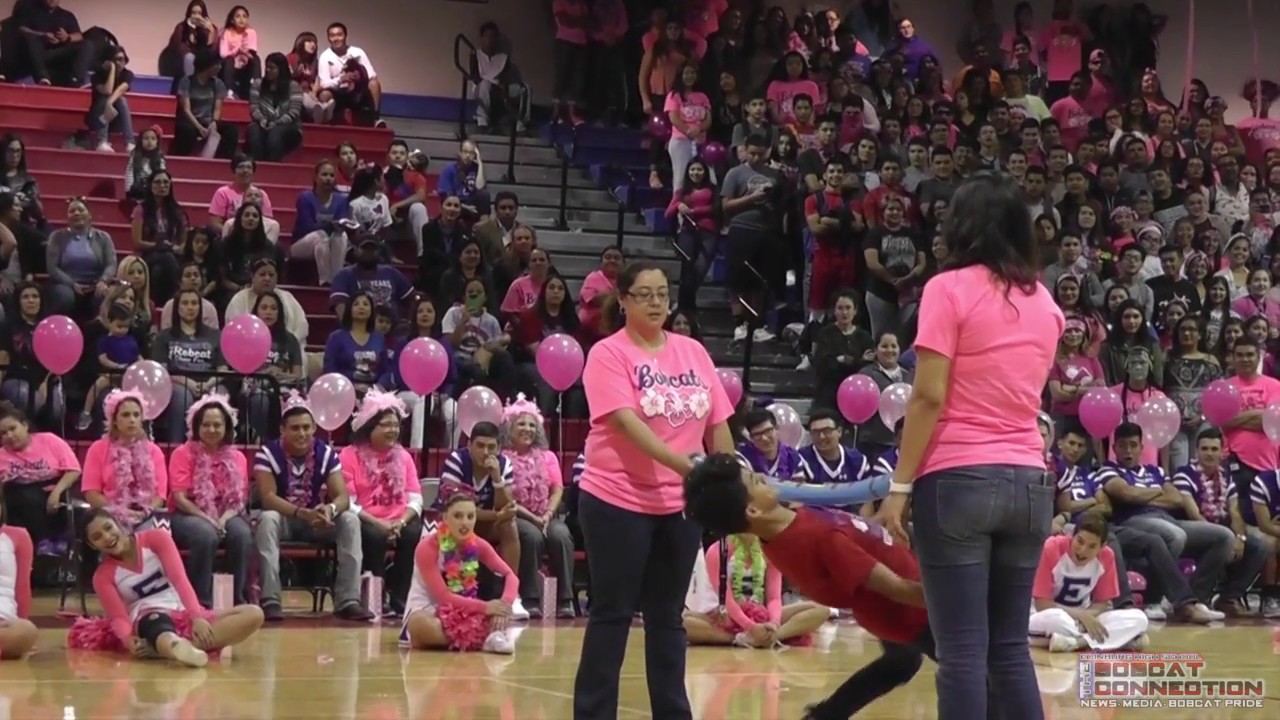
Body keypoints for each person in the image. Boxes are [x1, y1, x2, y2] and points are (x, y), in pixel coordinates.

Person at [876, 174, 1063, 720]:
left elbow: (929, 396)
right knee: (1009, 649)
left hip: (958, 478)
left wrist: (900, 486)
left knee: (960, 650)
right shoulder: (1045, 301)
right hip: (1030, 480)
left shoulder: (947, 289)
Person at [573, 261, 735, 720]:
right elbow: (626, 423)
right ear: (622, 300)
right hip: (615, 498)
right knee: (613, 613)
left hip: (680, 504)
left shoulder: (693, 352)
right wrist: (686, 466)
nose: (656, 302)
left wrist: (725, 474)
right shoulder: (608, 353)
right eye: (644, 294)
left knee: (667, 618)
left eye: (662, 293)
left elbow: (716, 423)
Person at [683, 454, 933, 720]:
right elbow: (898, 589)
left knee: (901, 663)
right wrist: (955, 598)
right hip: (912, 612)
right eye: (757, 481)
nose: (766, 479)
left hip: (899, 589)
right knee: (975, 668)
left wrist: (876, 534)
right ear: (753, 510)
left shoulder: (785, 526)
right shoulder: (816, 540)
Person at [68, 508, 264, 663]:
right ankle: (172, 645)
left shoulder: (156, 538)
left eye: (108, 528)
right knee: (157, 623)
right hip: (147, 618)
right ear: (93, 546)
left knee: (254, 614)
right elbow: (119, 617)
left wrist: (197, 617)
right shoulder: (102, 576)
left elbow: (180, 580)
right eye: (97, 537)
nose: (107, 537)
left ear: (119, 524)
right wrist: (129, 641)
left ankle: (168, 650)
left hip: (181, 611)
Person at [253, 392, 372, 621]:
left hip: (316, 519)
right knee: (267, 519)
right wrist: (300, 513)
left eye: (307, 427)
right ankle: (271, 600)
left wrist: (329, 510)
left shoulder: (325, 453)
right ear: (282, 430)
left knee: (349, 519)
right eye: (295, 428)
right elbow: (268, 497)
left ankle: (348, 600)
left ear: (314, 428)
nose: (302, 433)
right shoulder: (267, 453)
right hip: (284, 519)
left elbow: (342, 497)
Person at [399, 493, 518, 654]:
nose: (465, 522)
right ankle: (480, 638)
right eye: (458, 516)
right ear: (445, 518)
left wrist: (504, 605)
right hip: (426, 611)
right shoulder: (426, 547)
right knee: (420, 625)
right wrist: (486, 607)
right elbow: (444, 597)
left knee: (495, 616)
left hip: (465, 610)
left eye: (470, 516)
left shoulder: (478, 543)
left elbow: (511, 576)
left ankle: (471, 637)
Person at [341, 390, 424, 617]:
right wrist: (379, 524)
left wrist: (400, 521)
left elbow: (416, 499)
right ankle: (376, 599)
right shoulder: (350, 455)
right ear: (370, 427)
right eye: (386, 425)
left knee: (413, 533)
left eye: (396, 425)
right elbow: (348, 503)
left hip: (398, 519)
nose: (393, 430)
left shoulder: (404, 456)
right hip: (366, 518)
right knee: (374, 537)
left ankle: (401, 598)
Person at [436, 421, 529, 620]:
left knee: (509, 525)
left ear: (499, 448)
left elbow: (505, 507)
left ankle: (511, 597)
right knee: (467, 519)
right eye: (480, 446)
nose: (486, 452)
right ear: (469, 445)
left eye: (491, 447)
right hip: (454, 525)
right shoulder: (456, 461)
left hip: (486, 524)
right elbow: (459, 512)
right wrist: (497, 515)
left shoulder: (503, 464)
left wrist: (497, 478)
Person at [167, 394, 252, 608]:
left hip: (227, 513)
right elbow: (179, 497)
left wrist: (223, 520)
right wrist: (208, 519)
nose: (212, 430)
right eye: (206, 424)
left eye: (217, 425)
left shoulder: (238, 457)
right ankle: (199, 601)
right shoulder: (182, 453)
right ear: (196, 426)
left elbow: (239, 499)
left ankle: (235, 600)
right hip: (187, 513)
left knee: (241, 534)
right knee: (205, 535)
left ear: (226, 427)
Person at [1028, 512, 1150, 652]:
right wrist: (1081, 615)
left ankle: (1077, 642)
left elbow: (1102, 603)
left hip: (1084, 619)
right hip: (1045, 614)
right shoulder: (1050, 548)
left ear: (1102, 547)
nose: (1083, 550)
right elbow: (1042, 605)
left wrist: (1088, 616)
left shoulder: (1107, 556)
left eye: (1092, 546)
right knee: (1057, 619)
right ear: (1071, 536)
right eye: (1079, 541)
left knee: (1140, 618)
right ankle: (1118, 641)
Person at [683, 531, 828, 648]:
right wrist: (750, 626)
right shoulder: (717, 551)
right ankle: (738, 638)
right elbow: (726, 600)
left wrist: (774, 623)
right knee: (681, 621)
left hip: (760, 614)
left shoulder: (771, 552)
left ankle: (772, 637)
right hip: (721, 615)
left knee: (821, 610)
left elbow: (774, 598)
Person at [501, 395, 576, 619]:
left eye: (532, 425)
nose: (528, 429)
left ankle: (565, 600)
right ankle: (530, 598)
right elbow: (505, 498)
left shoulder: (548, 457)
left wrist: (547, 514)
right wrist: (534, 519)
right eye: (522, 424)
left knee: (561, 535)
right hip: (517, 514)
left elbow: (557, 489)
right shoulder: (502, 458)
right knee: (531, 536)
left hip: (546, 513)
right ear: (510, 427)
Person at [79, 390, 168, 531]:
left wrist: (144, 512)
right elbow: (91, 494)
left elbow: (160, 496)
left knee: (153, 531)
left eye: (136, 415)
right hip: (110, 513)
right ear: (114, 420)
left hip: (147, 516)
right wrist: (122, 512)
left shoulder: (154, 451)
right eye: (126, 415)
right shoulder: (97, 449)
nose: (132, 420)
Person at [0, 401, 80, 555]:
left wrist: (56, 492)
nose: (9, 436)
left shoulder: (49, 440)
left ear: (25, 425)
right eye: (3, 433)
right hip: (19, 500)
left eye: (12, 428)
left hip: (54, 490)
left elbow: (73, 470)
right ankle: (35, 543)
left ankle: (54, 541)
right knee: (20, 495)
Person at [174, 50, 240, 159]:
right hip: (191, 120)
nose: (219, 67)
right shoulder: (186, 82)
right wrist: (200, 128)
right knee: (186, 130)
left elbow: (217, 108)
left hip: (209, 121)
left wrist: (214, 123)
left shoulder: (218, 83)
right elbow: (186, 109)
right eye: (216, 64)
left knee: (231, 130)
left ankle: (223, 162)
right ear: (206, 65)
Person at [317, 23, 383, 127]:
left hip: (357, 91)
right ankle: (324, 121)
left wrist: (358, 76)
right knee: (324, 94)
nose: (336, 38)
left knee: (374, 84)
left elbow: (371, 75)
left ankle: (375, 118)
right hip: (338, 92)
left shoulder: (358, 52)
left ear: (345, 36)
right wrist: (341, 79)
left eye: (339, 35)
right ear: (328, 38)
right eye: (332, 35)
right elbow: (324, 83)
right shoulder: (325, 56)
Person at [16, 0, 94, 87]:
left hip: (60, 54)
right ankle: (42, 78)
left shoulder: (67, 15)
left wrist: (67, 37)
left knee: (87, 44)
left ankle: (76, 80)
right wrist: (42, 35)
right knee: (30, 38)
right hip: (39, 53)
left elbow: (79, 36)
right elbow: (22, 29)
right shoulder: (31, 11)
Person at [247, 52, 303, 162]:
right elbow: (254, 108)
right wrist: (262, 119)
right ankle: (256, 165)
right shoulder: (258, 84)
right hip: (263, 123)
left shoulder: (293, 86)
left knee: (275, 134)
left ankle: (273, 167)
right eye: (267, 67)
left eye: (272, 68)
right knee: (254, 132)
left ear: (281, 69)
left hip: (288, 125)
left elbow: (294, 112)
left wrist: (276, 123)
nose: (268, 70)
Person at [0, 495, 37, 659]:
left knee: (27, 630)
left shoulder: (18, 536)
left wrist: (22, 619)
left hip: (4, 623)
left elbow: (23, 588)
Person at [87, 44, 135, 153]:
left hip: (115, 117)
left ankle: (130, 143)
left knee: (121, 100)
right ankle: (102, 141)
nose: (120, 63)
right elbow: (107, 90)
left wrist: (109, 102)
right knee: (104, 99)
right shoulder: (97, 76)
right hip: (97, 117)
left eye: (122, 59)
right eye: (116, 60)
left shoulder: (127, 74)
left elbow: (120, 91)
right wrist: (112, 70)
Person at [218, 5, 259, 100]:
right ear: (232, 20)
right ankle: (229, 91)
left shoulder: (251, 32)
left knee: (256, 59)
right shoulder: (226, 33)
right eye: (238, 16)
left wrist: (245, 54)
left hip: (245, 65)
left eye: (244, 16)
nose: (241, 19)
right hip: (230, 66)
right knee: (229, 60)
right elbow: (223, 53)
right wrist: (237, 50)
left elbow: (252, 50)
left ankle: (256, 88)